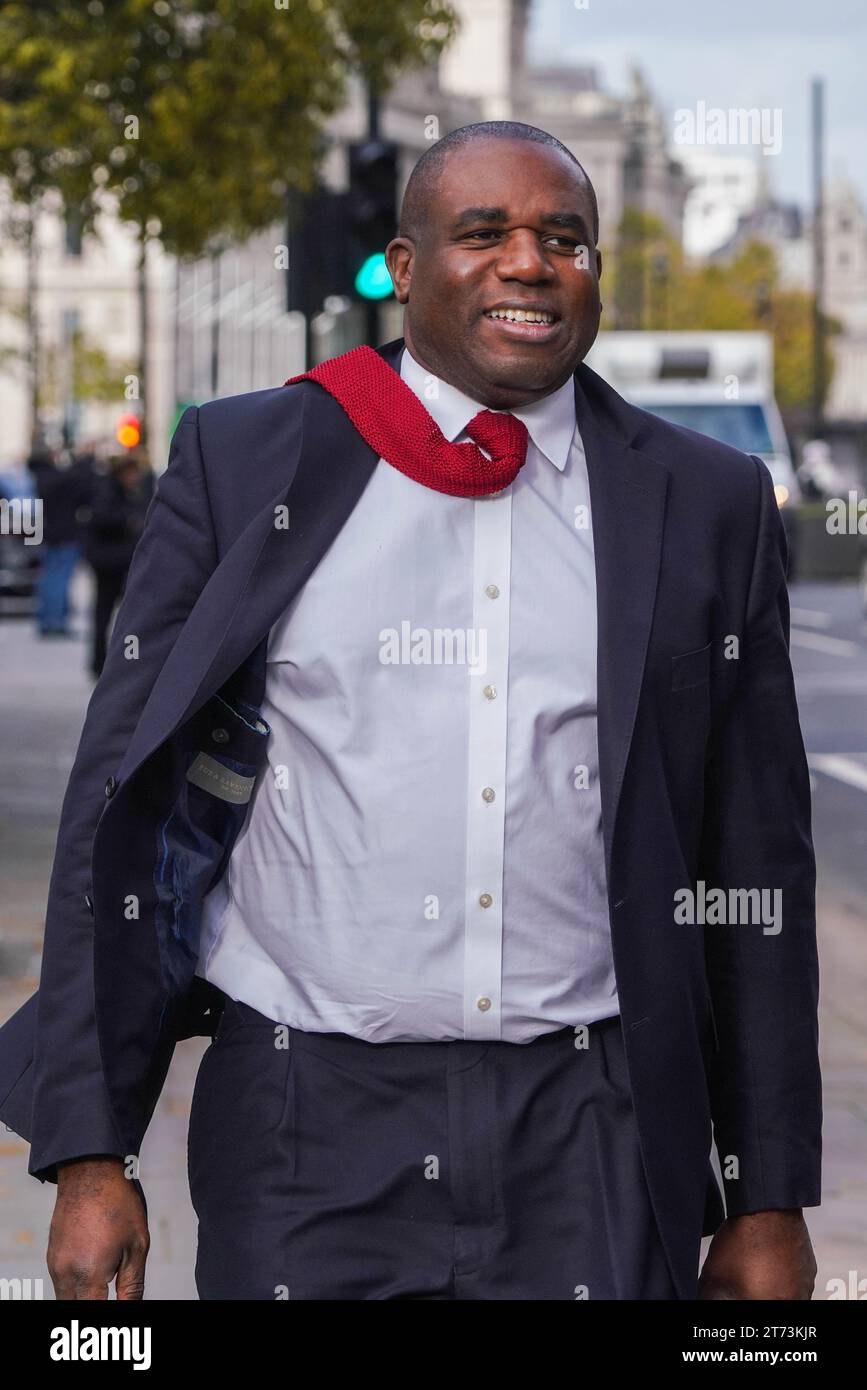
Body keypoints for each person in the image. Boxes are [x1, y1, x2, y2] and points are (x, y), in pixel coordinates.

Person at [0, 121, 821, 1301]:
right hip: (302, 1120)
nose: (529, 263)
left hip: (594, 1124)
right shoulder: (249, 463)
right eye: (483, 233)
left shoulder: (705, 500)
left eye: (565, 239)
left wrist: (766, 1196)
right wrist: (90, 1152)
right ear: (402, 261)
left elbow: (758, 863)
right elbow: (116, 804)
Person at [83, 452, 155, 678]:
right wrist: (127, 520)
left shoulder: (127, 491)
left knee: (123, 615)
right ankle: (100, 661)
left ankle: (119, 659)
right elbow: (101, 519)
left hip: (118, 561)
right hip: (109, 563)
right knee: (107, 614)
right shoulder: (108, 491)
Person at [26, 448, 82, 638]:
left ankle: (46, 620)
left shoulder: (37, 481)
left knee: (47, 579)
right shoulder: (59, 479)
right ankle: (56, 622)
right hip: (65, 535)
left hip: (47, 535)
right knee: (60, 580)